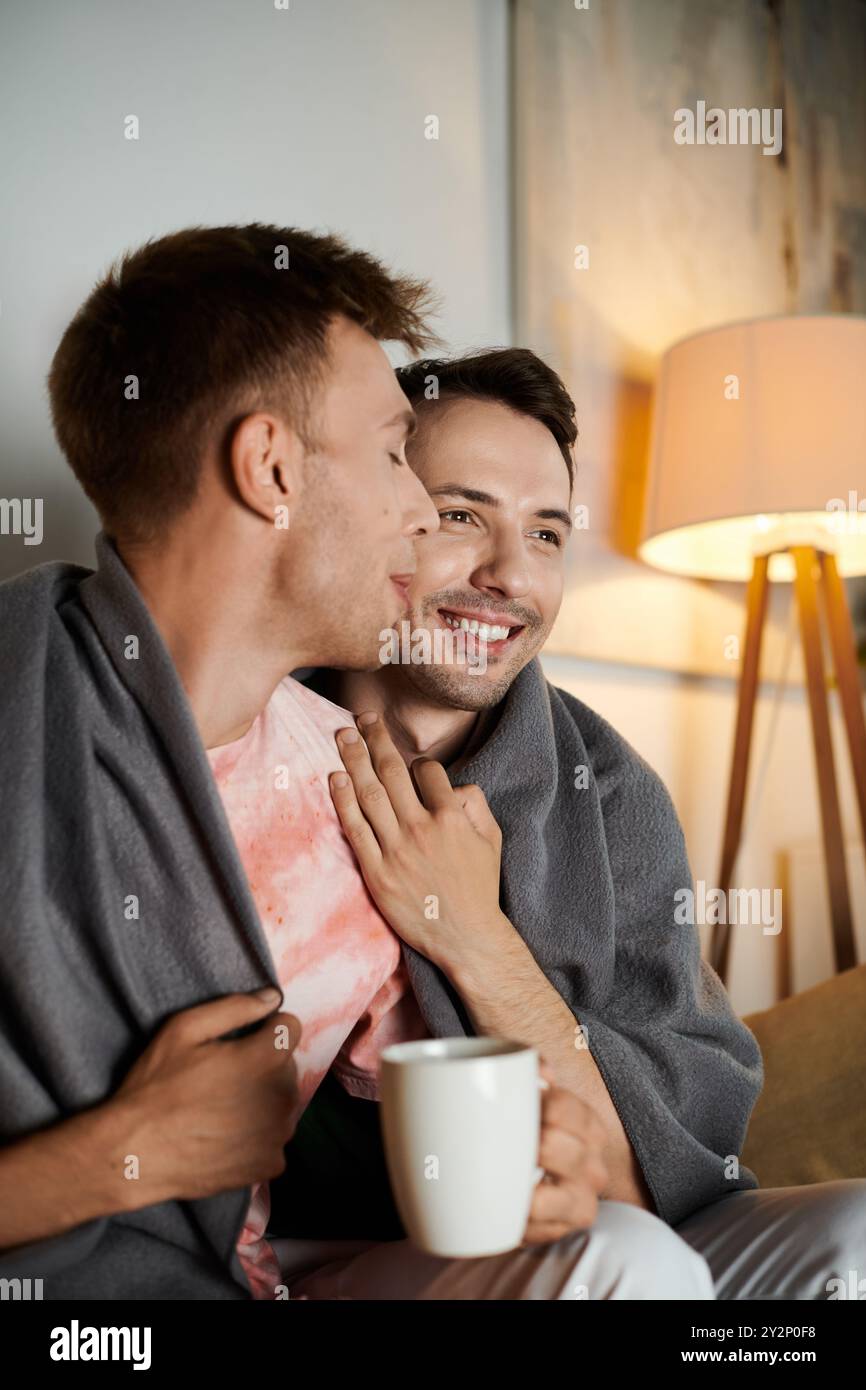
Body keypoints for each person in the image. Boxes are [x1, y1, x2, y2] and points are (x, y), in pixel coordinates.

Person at [0, 226, 711, 1301]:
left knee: (636, 1262)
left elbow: (450, 1137)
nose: (419, 512)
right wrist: (125, 1150)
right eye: (395, 457)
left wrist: (546, 1176)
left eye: (547, 531)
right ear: (272, 467)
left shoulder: (364, 798)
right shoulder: (29, 702)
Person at [277, 347, 866, 1301]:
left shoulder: (611, 791)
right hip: (322, 1258)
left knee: (855, 1236)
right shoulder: (254, 736)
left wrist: (471, 933)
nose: (510, 574)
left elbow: (650, 1180)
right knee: (625, 1266)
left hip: (606, 1228)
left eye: (547, 535)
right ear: (378, 517)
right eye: (462, 515)